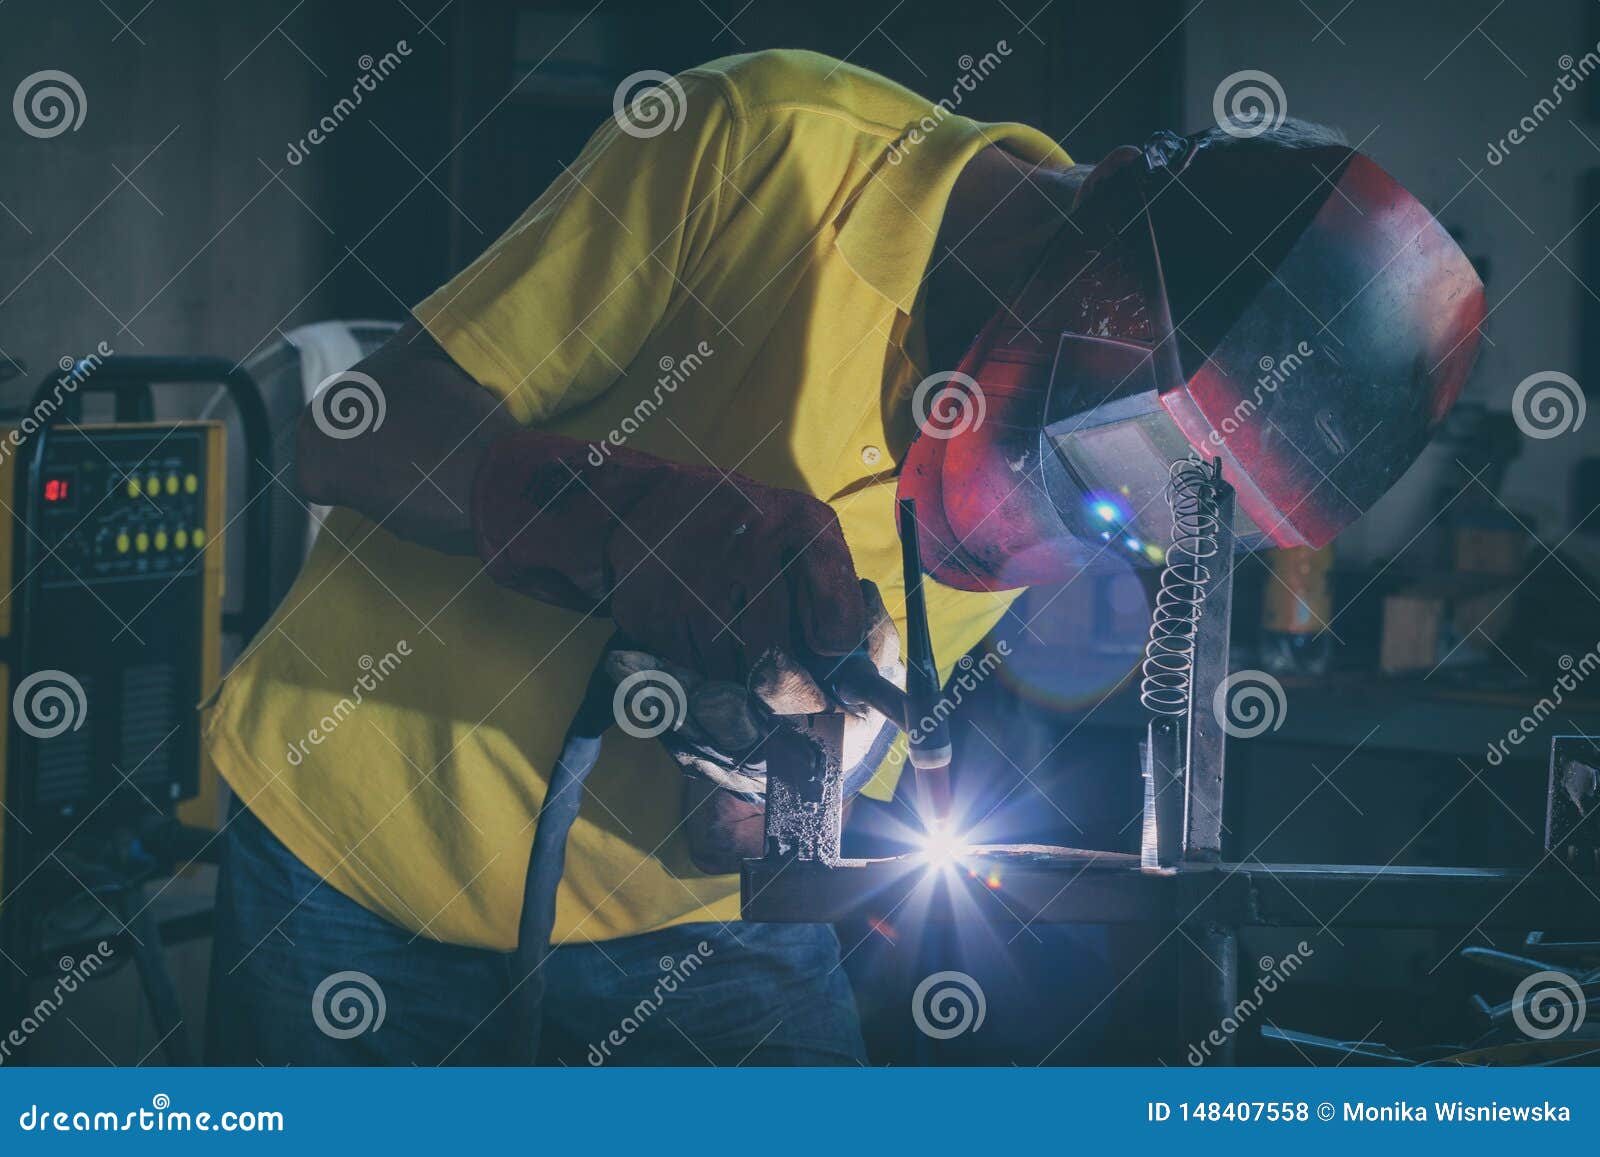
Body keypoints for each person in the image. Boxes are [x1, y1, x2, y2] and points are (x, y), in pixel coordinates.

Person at [205, 48, 1482, 1065]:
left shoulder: (1084, 478)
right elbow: (345, 434)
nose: (1085, 521)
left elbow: (761, 825)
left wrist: (765, 784)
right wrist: (616, 515)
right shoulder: (760, 143)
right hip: (353, 849)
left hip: (694, 933)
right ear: (1097, 286)